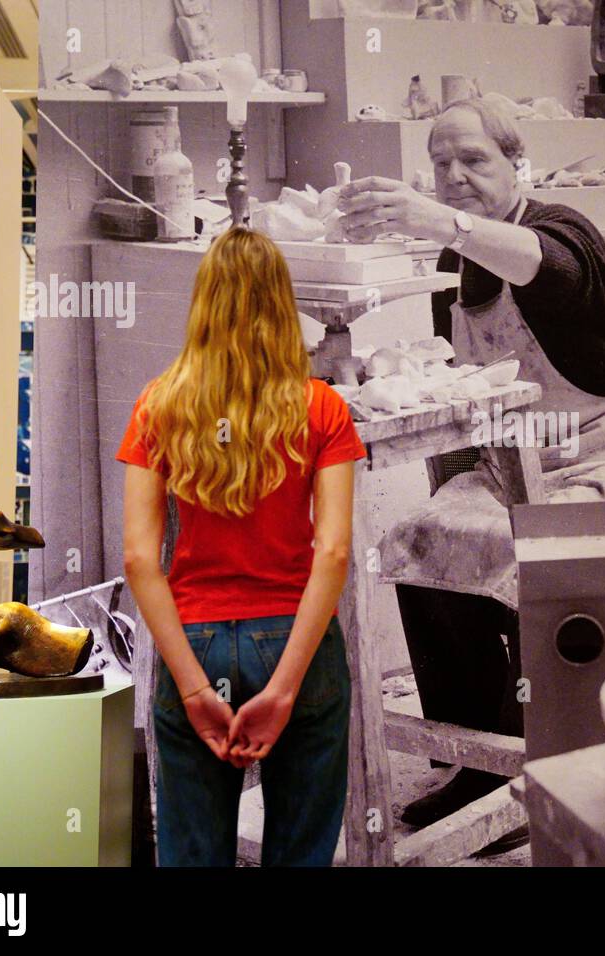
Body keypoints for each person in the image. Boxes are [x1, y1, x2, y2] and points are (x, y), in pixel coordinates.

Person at [338, 98, 605, 850]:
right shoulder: (450, 266)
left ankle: (557, 768)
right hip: (521, 459)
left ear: (514, 161)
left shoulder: (565, 232)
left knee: (555, 553)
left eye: (474, 160)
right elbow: (472, 379)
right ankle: (477, 762)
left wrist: (441, 219)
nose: (455, 176)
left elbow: (547, 270)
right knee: (420, 544)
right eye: (441, 164)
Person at [117, 228, 366, 866]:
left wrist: (198, 691)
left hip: (192, 640)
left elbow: (141, 560)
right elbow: (333, 554)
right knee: (301, 849)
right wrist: (283, 690)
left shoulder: (158, 407)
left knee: (193, 854)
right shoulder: (323, 408)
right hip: (297, 646)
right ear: (285, 307)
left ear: (202, 306)